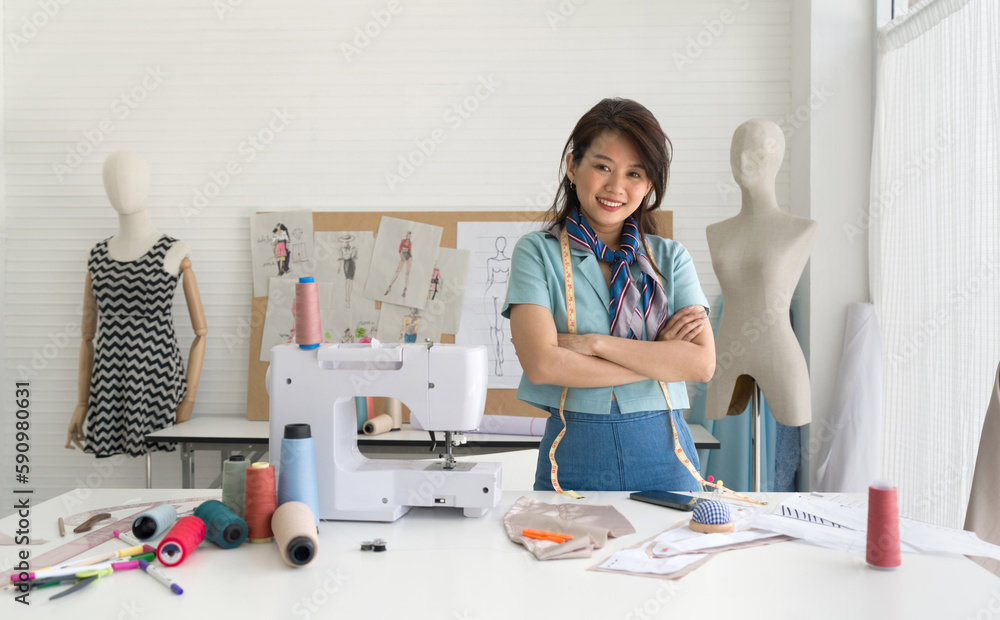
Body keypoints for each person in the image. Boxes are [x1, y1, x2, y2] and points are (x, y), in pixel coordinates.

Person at [502, 98, 714, 492]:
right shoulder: (537, 254)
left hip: (666, 456)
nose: (616, 187)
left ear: (649, 185)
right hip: (574, 459)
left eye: (635, 173)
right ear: (572, 166)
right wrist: (660, 359)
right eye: (603, 167)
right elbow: (543, 365)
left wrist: (594, 344)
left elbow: (701, 364)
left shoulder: (671, 258)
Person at [385, 231, 413, 297]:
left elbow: (409, 251)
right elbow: (400, 250)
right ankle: (389, 287)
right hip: (403, 255)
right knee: (397, 271)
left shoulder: (410, 243)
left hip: (408, 256)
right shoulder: (403, 241)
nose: (407, 236)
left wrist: (405, 256)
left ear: (410, 236)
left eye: (408, 235)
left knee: (407, 273)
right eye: (407, 235)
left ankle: (405, 290)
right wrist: (401, 256)